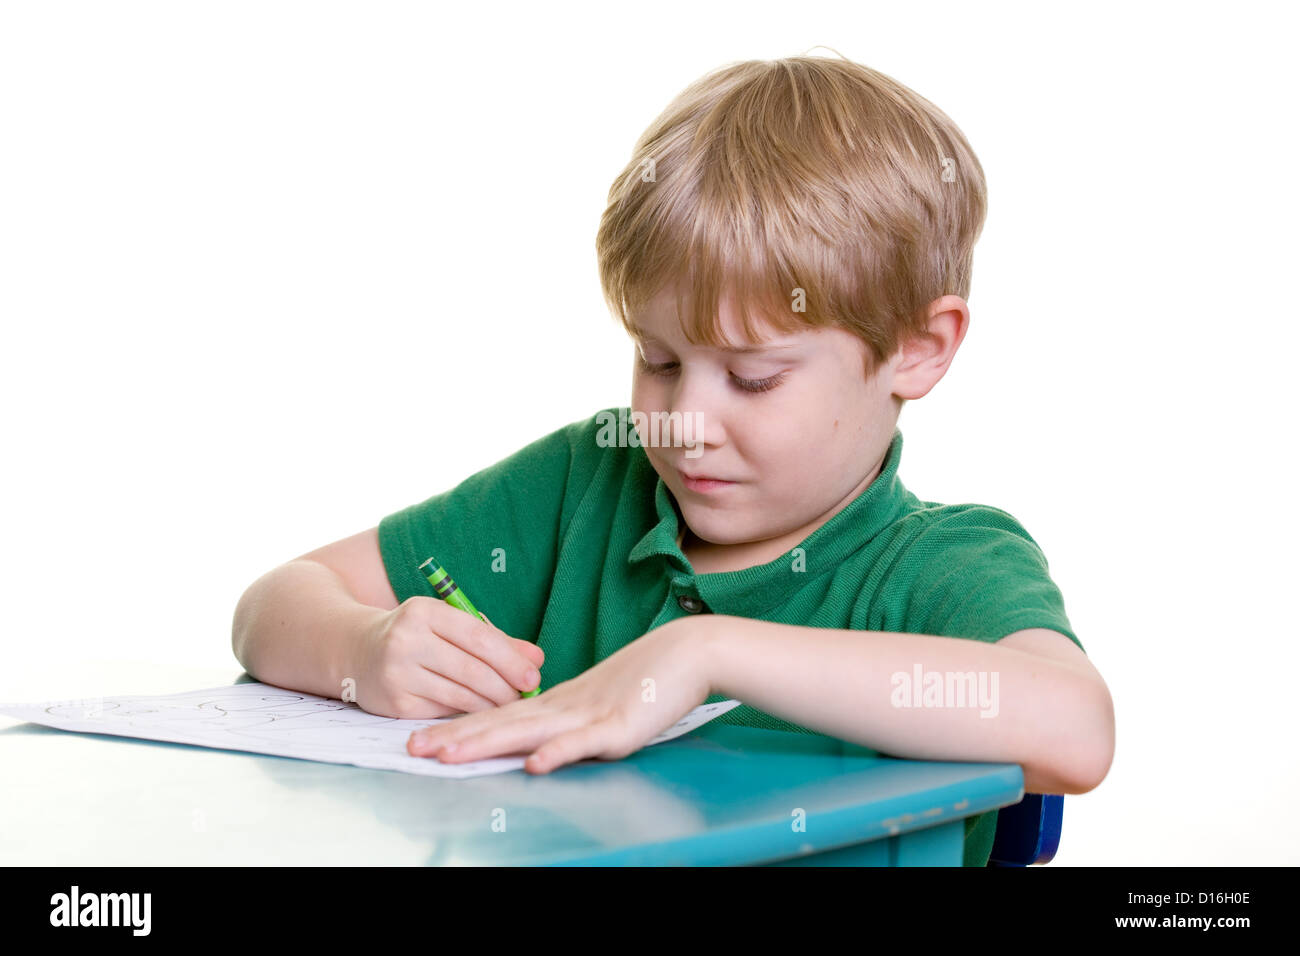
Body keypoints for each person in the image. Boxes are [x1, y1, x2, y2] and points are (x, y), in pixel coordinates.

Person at [232, 53, 1114, 867]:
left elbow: (1077, 730)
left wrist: (708, 652)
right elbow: (273, 605)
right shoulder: (586, 484)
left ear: (920, 349)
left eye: (754, 378)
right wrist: (367, 647)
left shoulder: (943, 566)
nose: (684, 422)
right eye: (658, 361)